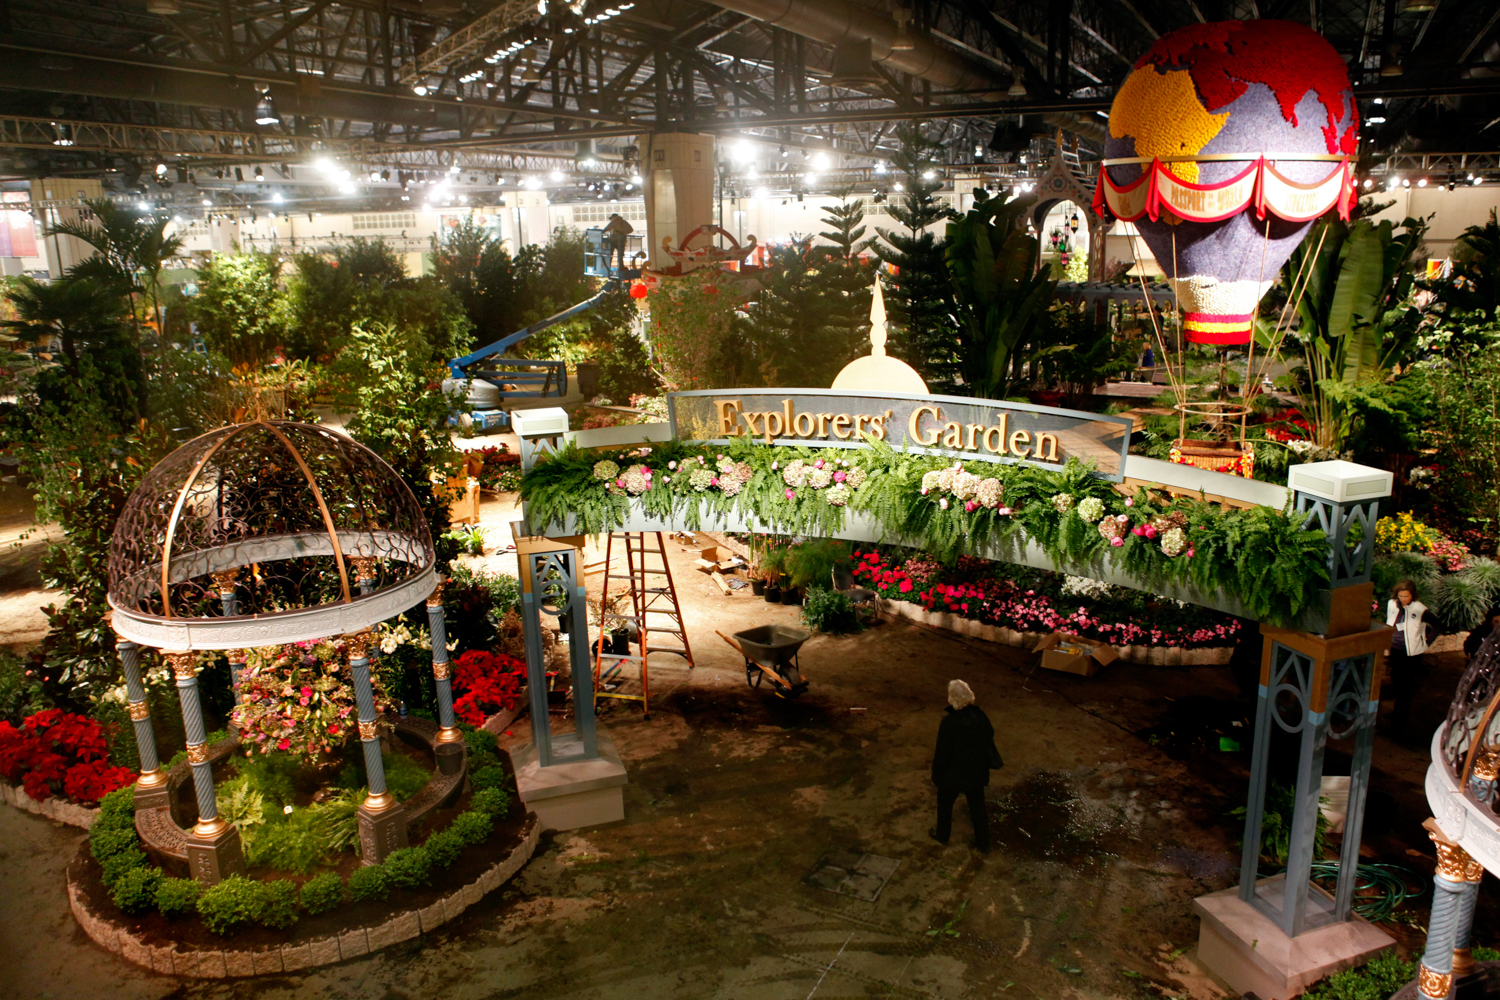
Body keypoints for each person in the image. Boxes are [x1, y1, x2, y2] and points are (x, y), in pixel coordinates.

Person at [929, 679, 1002, 852]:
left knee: (945, 804)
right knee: (977, 807)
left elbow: (942, 752)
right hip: (975, 772)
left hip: (952, 774)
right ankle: (983, 843)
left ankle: (943, 835)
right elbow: (989, 737)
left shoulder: (949, 723)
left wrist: (937, 773)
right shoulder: (981, 717)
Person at [1386, 580, 1440, 737]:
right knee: (1396, 680)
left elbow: (1437, 624)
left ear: (1412, 596)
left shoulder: (1420, 609)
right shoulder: (1392, 604)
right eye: (1400, 596)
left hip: (1412, 653)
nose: (1403, 599)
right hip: (1396, 649)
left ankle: (1399, 722)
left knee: (1405, 687)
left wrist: (1428, 641)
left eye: (1406, 596)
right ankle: (1396, 713)